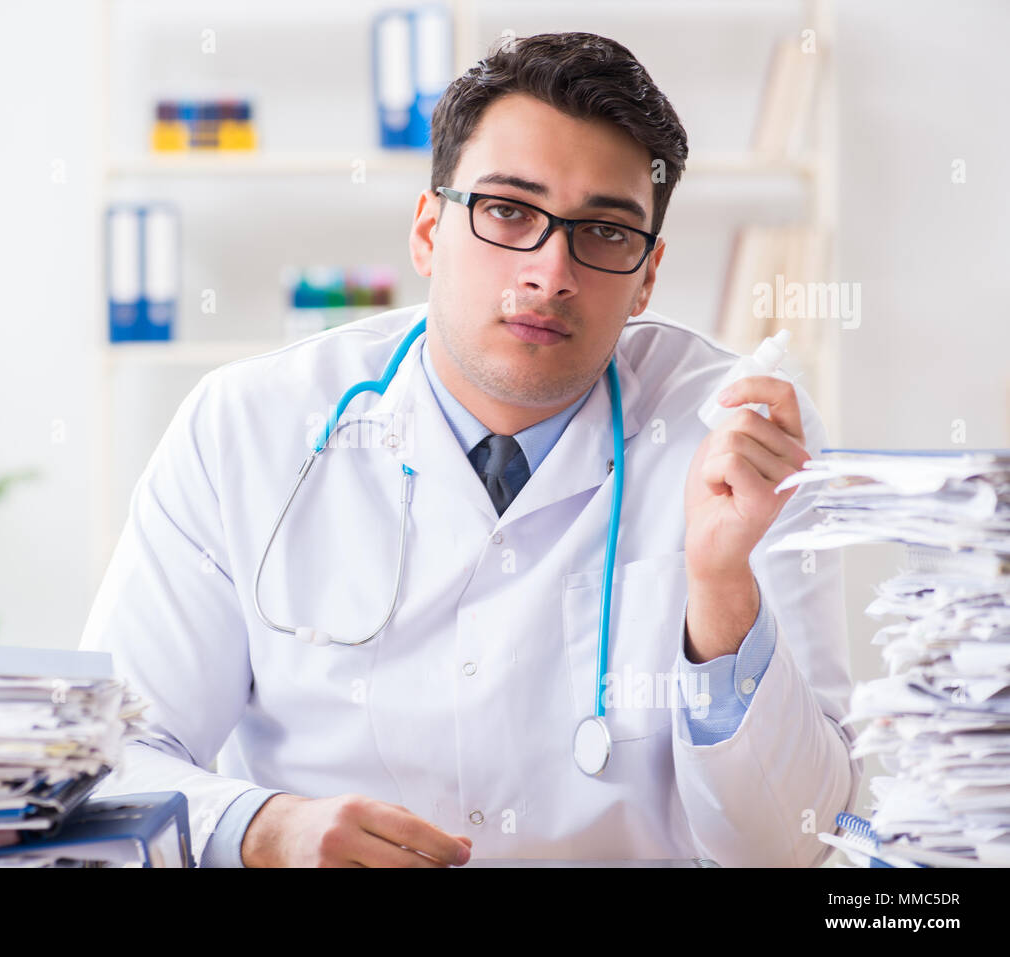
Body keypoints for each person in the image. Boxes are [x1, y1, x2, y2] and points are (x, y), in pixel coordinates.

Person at [80, 32, 860, 867]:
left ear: (647, 277)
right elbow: (104, 758)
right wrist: (264, 829)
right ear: (427, 231)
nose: (550, 271)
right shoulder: (243, 427)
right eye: (509, 211)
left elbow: (794, 845)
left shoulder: (737, 437)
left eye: (603, 231)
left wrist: (720, 589)